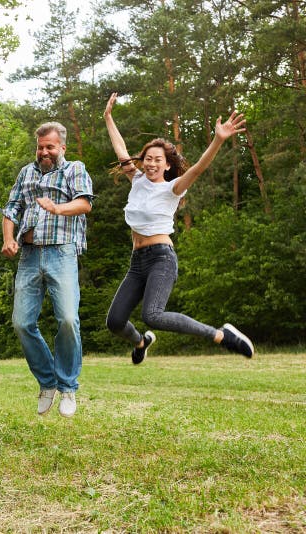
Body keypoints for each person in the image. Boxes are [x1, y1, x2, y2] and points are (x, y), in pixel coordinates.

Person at [102, 92, 254, 363]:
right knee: (114, 322)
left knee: (153, 315)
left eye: (158, 159)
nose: (151, 163)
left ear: (167, 164)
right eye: (148, 158)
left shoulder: (172, 188)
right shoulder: (136, 180)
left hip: (161, 257)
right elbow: (121, 150)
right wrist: (108, 118)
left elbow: (196, 169)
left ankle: (221, 335)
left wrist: (218, 139)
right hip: (137, 261)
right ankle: (141, 341)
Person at [1, 122, 94, 418]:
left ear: (61, 147)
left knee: (67, 318)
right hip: (28, 254)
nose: (44, 152)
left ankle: (68, 387)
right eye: (40, 147)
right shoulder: (26, 172)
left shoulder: (74, 169)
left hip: (61, 251)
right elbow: (11, 208)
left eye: (50, 147)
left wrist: (56, 208)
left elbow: (83, 204)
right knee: (21, 322)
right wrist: (8, 239)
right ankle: (47, 382)